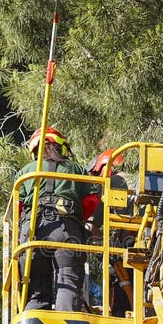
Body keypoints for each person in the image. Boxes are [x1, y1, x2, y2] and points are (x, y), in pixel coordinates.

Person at [17, 127, 99, 312]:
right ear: (61, 147)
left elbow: (17, 208)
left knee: (36, 285)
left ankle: (34, 323)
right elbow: (91, 201)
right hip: (66, 228)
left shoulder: (25, 172)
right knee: (67, 279)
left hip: (31, 232)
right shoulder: (76, 169)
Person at [87, 149, 133, 316]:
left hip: (130, 255)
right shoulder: (144, 181)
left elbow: (92, 226)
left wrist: (101, 251)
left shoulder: (111, 183)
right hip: (157, 251)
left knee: (122, 309)